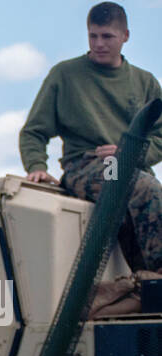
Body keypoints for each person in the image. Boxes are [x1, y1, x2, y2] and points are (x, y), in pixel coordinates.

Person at [20, 2, 162, 272]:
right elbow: (33, 131)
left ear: (125, 36)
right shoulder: (64, 75)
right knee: (144, 188)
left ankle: (145, 285)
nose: (98, 44)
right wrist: (36, 166)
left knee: (144, 193)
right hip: (84, 166)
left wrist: (129, 152)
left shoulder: (145, 82)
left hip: (133, 169)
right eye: (92, 36)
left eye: (107, 36)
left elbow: (160, 137)